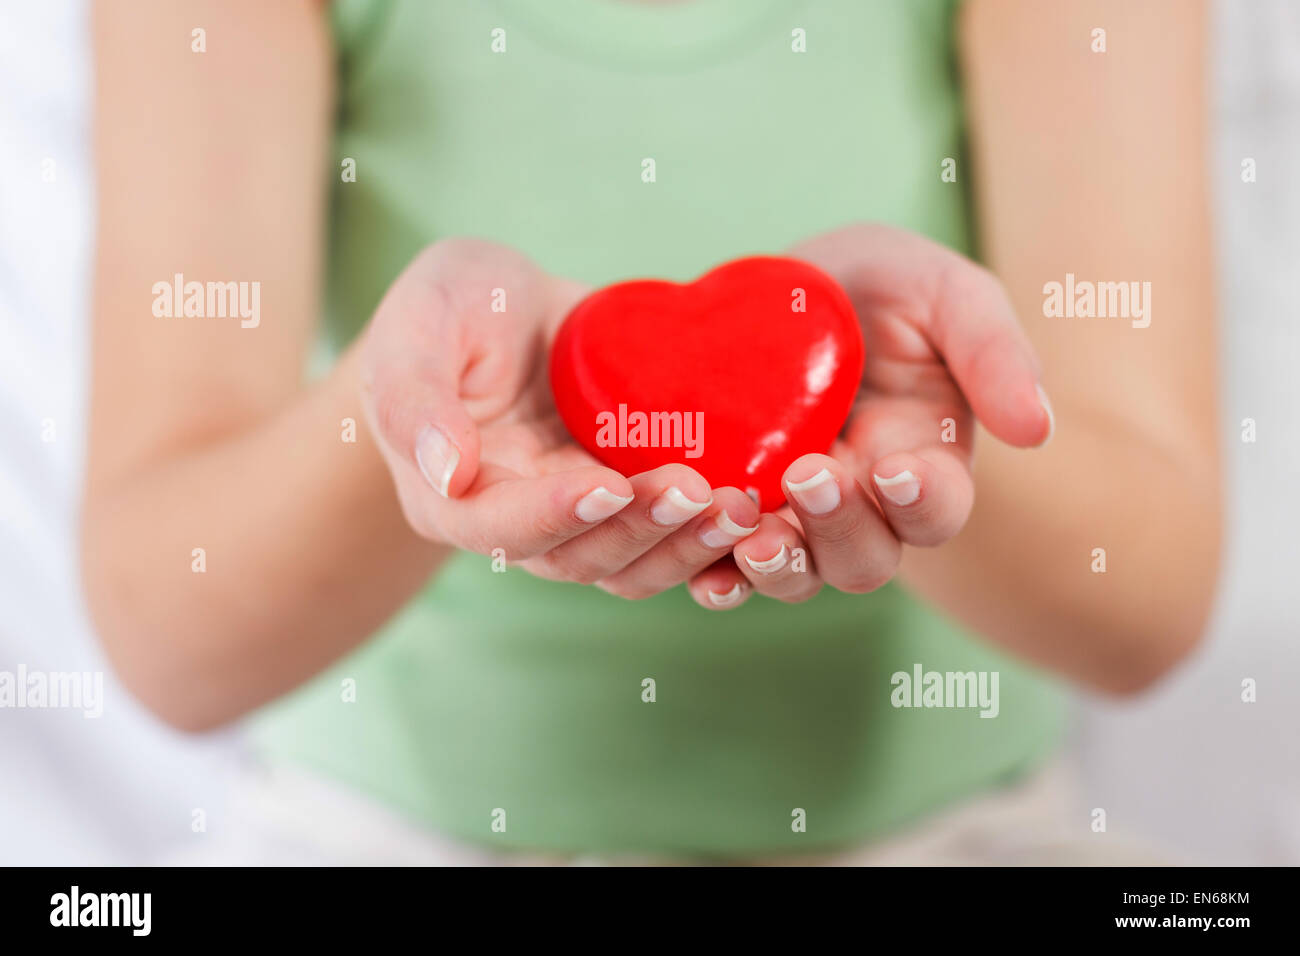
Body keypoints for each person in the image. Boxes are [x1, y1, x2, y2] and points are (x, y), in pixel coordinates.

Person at [83, 0, 1220, 863]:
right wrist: (405, 411)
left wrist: (920, 445)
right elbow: (165, 635)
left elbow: (1150, 598)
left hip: (945, 838)